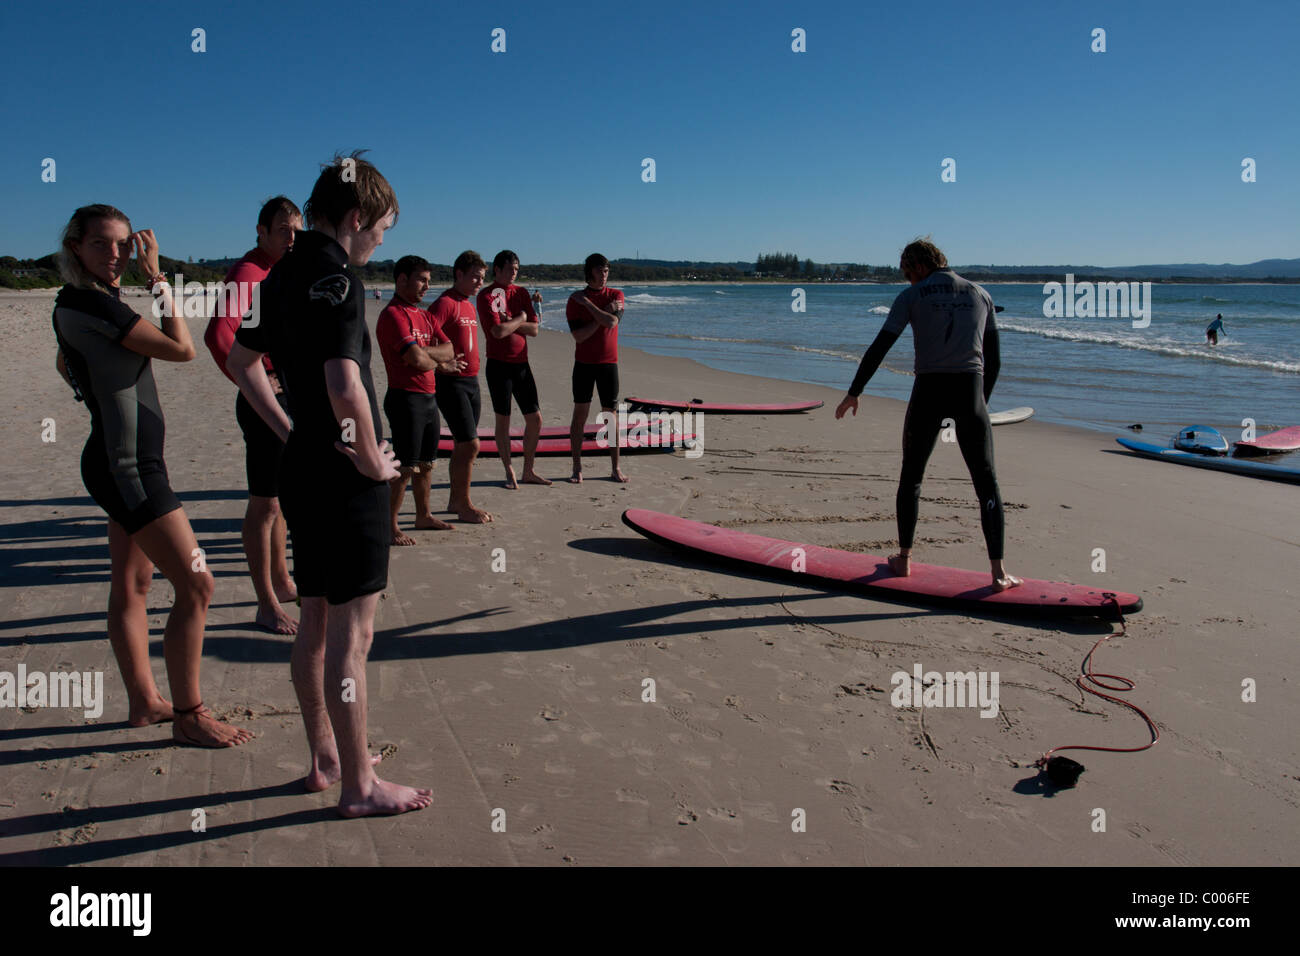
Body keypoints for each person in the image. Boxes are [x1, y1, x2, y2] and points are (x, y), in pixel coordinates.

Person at [227, 152, 431, 816]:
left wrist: (290, 430)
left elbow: (240, 359)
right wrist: (371, 458)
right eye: (383, 230)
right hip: (344, 479)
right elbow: (346, 387)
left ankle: (326, 756)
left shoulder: (281, 273)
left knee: (315, 616)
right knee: (354, 635)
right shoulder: (339, 275)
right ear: (358, 217)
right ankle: (359, 787)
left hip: (301, 469)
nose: (380, 244)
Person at [52, 204, 252, 748]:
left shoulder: (89, 302)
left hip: (125, 463)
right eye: (101, 245)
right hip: (128, 468)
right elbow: (184, 349)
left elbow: (70, 363)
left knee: (134, 583)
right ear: (76, 247)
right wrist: (158, 277)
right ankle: (189, 715)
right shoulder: (93, 303)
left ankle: (143, 701)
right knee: (198, 582)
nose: (114, 255)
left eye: (122, 244)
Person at [834, 238, 1020, 591]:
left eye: (907, 272)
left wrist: (855, 392)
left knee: (912, 476)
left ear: (919, 265)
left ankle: (903, 558)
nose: (907, 279)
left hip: (928, 393)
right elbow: (994, 360)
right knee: (986, 482)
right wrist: (982, 404)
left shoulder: (912, 297)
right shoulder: (981, 295)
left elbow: (880, 347)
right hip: (969, 392)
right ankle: (998, 573)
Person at [203, 196, 302, 634]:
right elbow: (217, 336)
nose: (292, 237)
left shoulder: (276, 271)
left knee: (277, 500)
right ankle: (265, 603)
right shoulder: (249, 272)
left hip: (278, 396)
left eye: (297, 229)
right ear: (260, 232)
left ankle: (281, 581)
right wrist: (257, 383)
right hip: (264, 402)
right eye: (282, 229)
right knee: (263, 505)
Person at [376, 255, 461, 544]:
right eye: (422, 280)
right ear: (402, 280)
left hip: (428, 397)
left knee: (426, 463)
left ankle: (423, 515)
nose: (427, 286)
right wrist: (430, 357)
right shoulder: (393, 315)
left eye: (428, 280)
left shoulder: (424, 315)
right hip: (404, 398)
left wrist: (428, 356)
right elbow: (415, 360)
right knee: (404, 467)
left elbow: (450, 349)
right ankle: (390, 525)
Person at [476, 250, 549, 489]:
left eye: (516, 269)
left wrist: (512, 321)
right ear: (496, 269)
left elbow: (535, 331)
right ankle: (509, 470)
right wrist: (521, 319)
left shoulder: (521, 293)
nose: (514, 273)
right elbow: (497, 332)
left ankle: (528, 469)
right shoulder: (486, 295)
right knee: (503, 421)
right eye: (509, 269)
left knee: (535, 419)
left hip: (521, 364)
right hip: (498, 365)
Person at [431, 251, 493, 522]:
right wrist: (441, 366)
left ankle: (456, 501)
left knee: (463, 445)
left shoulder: (468, 304)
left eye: (482, 277)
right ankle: (464, 505)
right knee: (470, 444)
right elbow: (424, 339)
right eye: (475, 277)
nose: (480, 282)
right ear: (459, 274)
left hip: (472, 381)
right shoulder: (444, 303)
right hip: (451, 383)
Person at [566, 253, 626, 483]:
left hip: (609, 364)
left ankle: (615, 468)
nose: (604, 275)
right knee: (580, 416)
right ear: (590, 271)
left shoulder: (616, 295)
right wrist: (602, 312)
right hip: (583, 364)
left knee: (610, 417)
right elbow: (579, 336)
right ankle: (576, 468)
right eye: (600, 271)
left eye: (607, 271)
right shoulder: (574, 300)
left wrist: (590, 305)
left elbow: (612, 322)